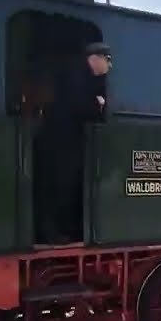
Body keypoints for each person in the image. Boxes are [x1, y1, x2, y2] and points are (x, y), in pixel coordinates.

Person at [35, 42, 110, 244]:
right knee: (60, 187)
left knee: (63, 187)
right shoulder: (77, 76)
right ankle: (53, 234)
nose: (109, 66)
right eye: (107, 60)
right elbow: (80, 105)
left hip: (62, 139)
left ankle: (61, 231)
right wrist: (98, 104)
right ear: (95, 58)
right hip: (60, 141)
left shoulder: (79, 74)